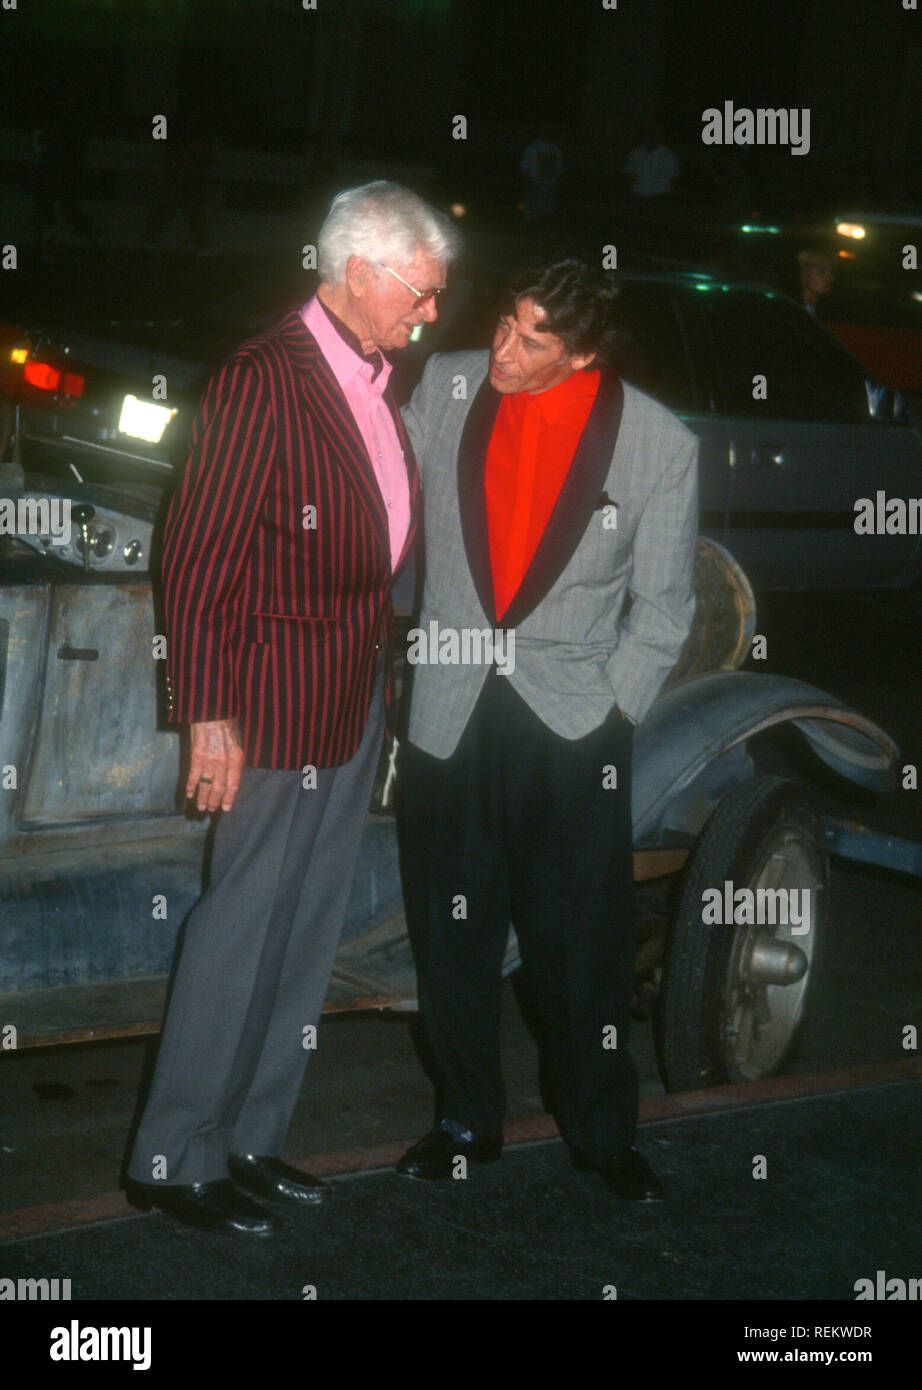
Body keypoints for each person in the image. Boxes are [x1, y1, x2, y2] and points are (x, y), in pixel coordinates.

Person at [126, 181, 460, 1235]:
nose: (430, 312)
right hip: (265, 710)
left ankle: (252, 1138)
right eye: (421, 290)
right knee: (239, 929)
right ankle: (174, 1156)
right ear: (359, 269)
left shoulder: (374, 377)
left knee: (305, 931)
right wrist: (209, 715)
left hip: (351, 700)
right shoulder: (265, 377)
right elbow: (193, 560)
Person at [395, 260, 698, 1200]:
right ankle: (463, 1120)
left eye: (533, 340)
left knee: (582, 945)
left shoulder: (656, 441)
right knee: (452, 934)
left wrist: (614, 709)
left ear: (586, 353)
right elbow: (372, 473)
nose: (504, 350)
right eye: (504, 324)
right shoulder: (446, 384)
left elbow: (665, 608)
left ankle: (602, 1132)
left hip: (570, 726)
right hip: (448, 712)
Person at [623, 125, 679, 200]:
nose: (651, 136)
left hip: (661, 195)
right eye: (648, 134)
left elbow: (673, 176)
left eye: (654, 133)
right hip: (639, 195)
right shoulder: (635, 152)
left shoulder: (668, 154)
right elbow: (628, 172)